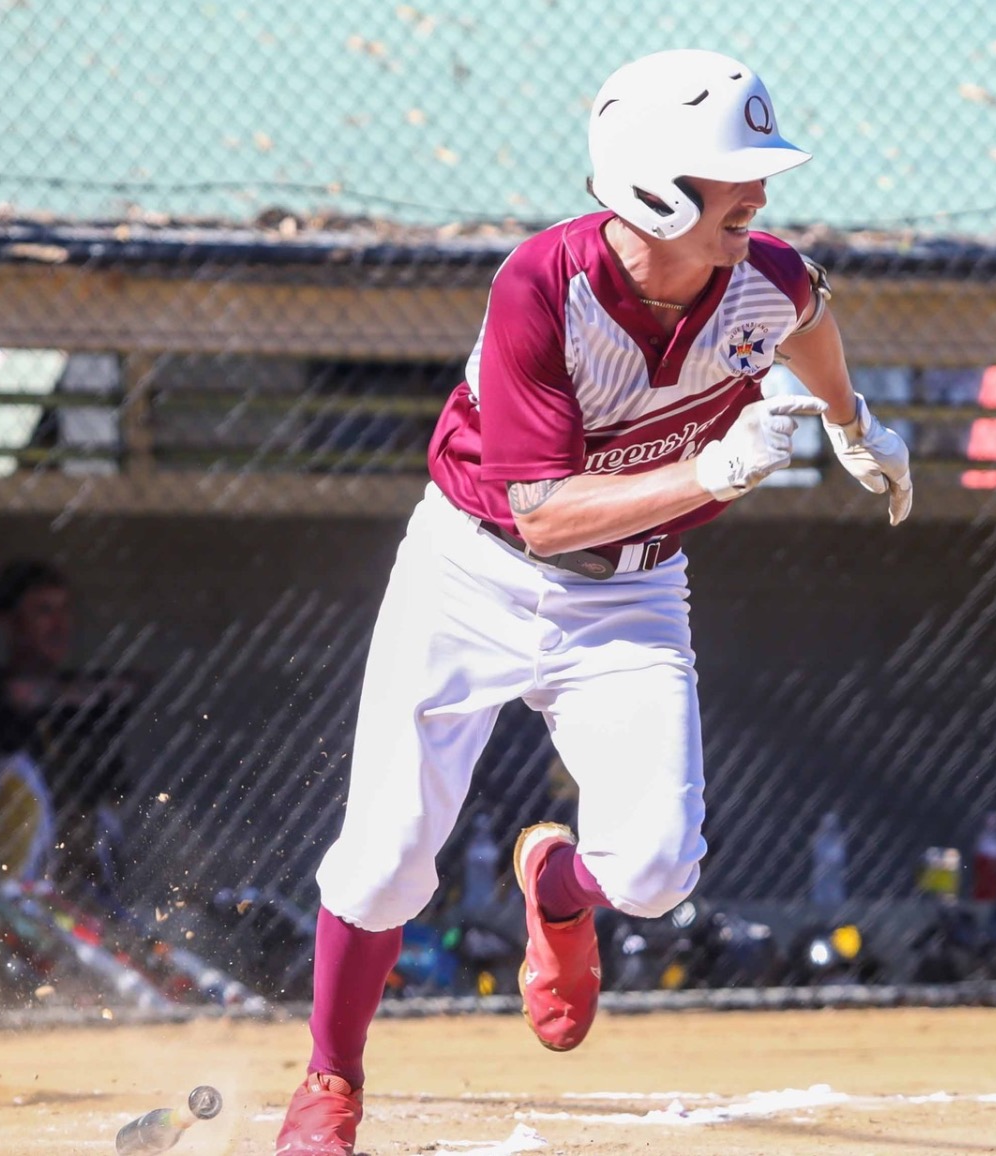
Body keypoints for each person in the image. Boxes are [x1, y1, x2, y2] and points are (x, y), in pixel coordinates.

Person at [275, 49, 912, 1155]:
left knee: (660, 873)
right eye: (729, 181)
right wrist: (713, 473)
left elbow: (807, 313)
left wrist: (854, 422)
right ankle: (331, 1081)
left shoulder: (763, 272)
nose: (756, 198)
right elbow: (544, 516)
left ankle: (554, 880)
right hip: (472, 571)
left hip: (632, 597)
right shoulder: (541, 286)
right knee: (387, 858)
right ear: (652, 188)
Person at [0, 559, 145, 905]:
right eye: (44, 612)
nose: (59, 626)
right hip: (29, 850)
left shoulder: (81, 692)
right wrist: (81, 695)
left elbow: (132, 688)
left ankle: (103, 900)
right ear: (10, 623)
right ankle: (20, 894)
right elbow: (17, 697)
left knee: (105, 806)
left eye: (64, 611)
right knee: (15, 773)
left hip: (82, 847)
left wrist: (74, 695)